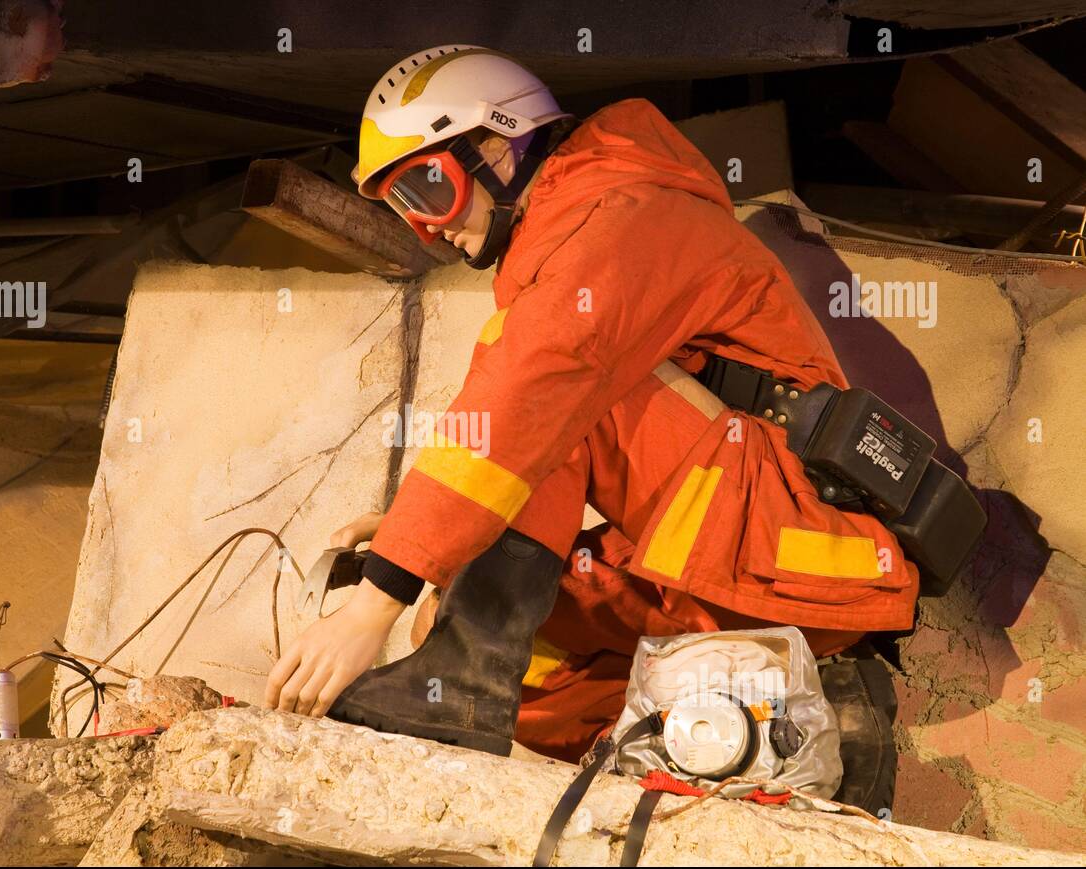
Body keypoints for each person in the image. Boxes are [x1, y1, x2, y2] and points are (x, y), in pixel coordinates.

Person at [264, 45, 909, 811]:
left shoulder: (626, 213)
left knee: (548, 406)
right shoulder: (573, 241)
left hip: (800, 555)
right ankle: (796, 712)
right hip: (717, 569)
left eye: (428, 188)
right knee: (470, 642)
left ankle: (477, 692)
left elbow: (526, 396)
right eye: (403, 210)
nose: (427, 231)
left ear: (499, 147)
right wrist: (428, 543)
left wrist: (377, 597)